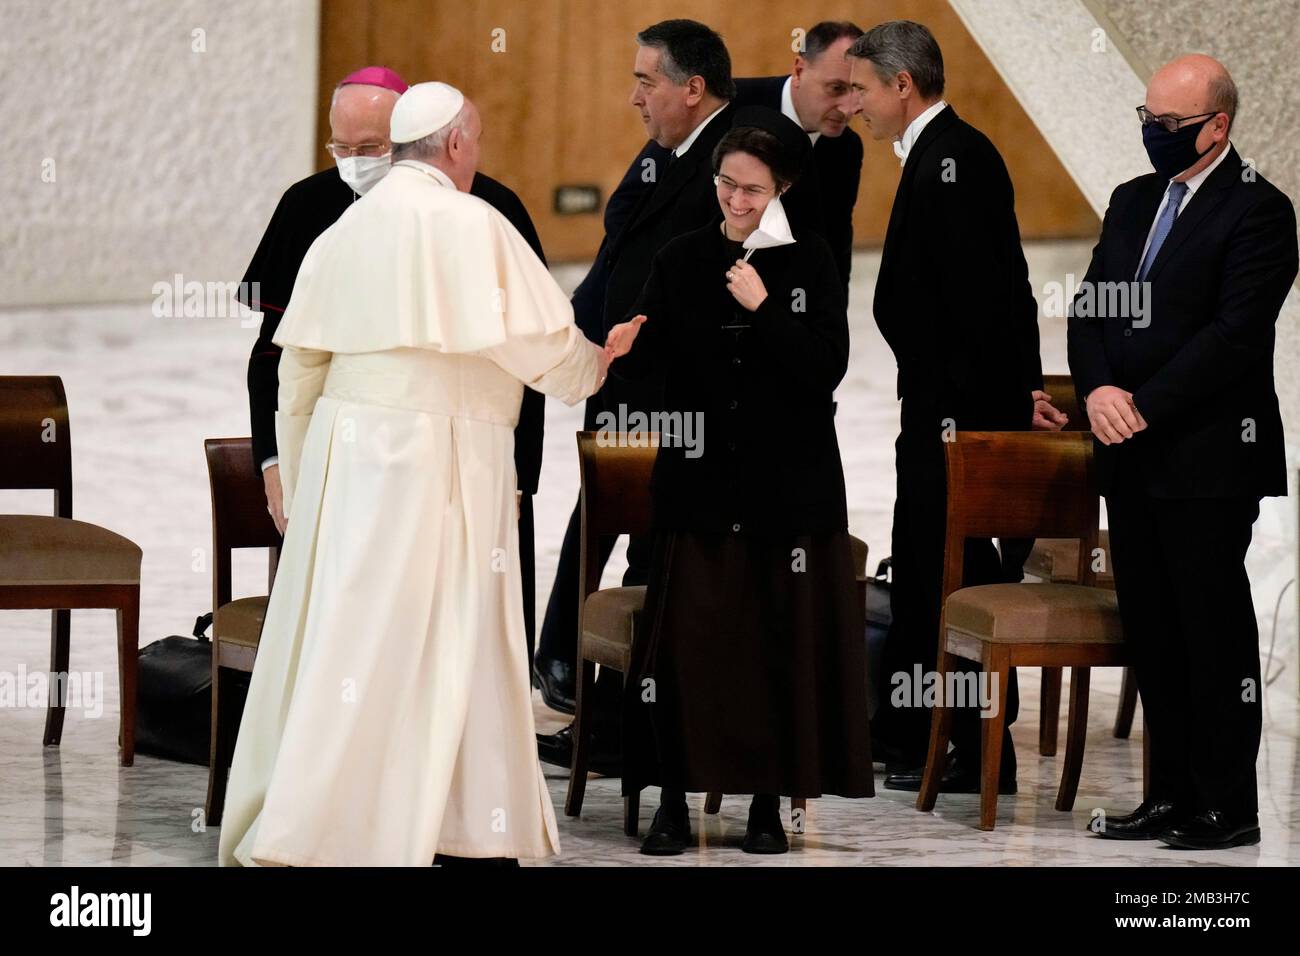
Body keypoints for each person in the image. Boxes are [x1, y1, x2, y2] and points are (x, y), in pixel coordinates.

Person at [217, 82, 610, 867]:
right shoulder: (478, 225)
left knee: (354, 638)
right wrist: (597, 365)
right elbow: (546, 351)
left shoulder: (344, 230)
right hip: (450, 463)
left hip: (347, 455)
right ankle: (458, 821)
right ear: (457, 145)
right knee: (451, 634)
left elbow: (296, 366)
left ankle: (323, 824)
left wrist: (299, 472)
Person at [605, 107, 874, 856]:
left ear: (781, 189)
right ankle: (670, 803)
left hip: (784, 488)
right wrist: (626, 349)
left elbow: (824, 368)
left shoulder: (811, 260)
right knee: (685, 651)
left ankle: (763, 805)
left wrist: (763, 311)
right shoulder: (682, 256)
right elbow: (656, 365)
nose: (735, 200)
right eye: (727, 184)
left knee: (770, 648)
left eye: (752, 190)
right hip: (697, 484)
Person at [240, 66, 549, 661]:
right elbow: (271, 356)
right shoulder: (309, 208)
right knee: (358, 636)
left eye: (372, 148)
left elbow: (527, 359)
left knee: (464, 636)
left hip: (469, 456)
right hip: (350, 455)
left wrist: (520, 476)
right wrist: (274, 460)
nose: (355, 161)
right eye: (342, 148)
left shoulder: (488, 207)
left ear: (409, 136)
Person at [1069, 55, 1296, 849]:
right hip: (1127, 453)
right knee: (1155, 631)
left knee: (1211, 632)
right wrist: (1096, 391)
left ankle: (1226, 806)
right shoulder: (1133, 202)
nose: (1152, 136)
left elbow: (1233, 337)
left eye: (1168, 126)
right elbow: (1091, 304)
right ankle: (1167, 795)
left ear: (1218, 126)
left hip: (1205, 456)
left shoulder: (1260, 211)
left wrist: (1142, 406)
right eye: (1147, 119)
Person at [845, 20, 1062, 792]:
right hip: (940, 414)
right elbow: (1003, 291)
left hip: (955, 424)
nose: (857, 106)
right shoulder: (940, 155)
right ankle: (922, 740)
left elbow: (991, 300)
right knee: (932, 583)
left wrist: (1001, 403)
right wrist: (1022, 386)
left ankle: (969, 754)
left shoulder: (956, 160)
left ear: (903, 86)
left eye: (864, 90)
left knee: (953, 585)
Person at [535, 19, 738, 773]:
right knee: (600, 518)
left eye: (645, 81)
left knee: (646, 541)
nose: (632, 97)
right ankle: (573, 671)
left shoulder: (728, 157)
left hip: (672, 396)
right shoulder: (665, 150)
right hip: (622, 380)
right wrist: (573, 339)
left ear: (692, 88)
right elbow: (616, 253)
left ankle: (622, 707)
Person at [733, 19, 865, 296]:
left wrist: (833, 322)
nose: (849, 108)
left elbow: (835, 241)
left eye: (859, 90)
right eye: (836, 89)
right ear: (799, 69)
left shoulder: (847, 147)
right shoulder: (730, 104)